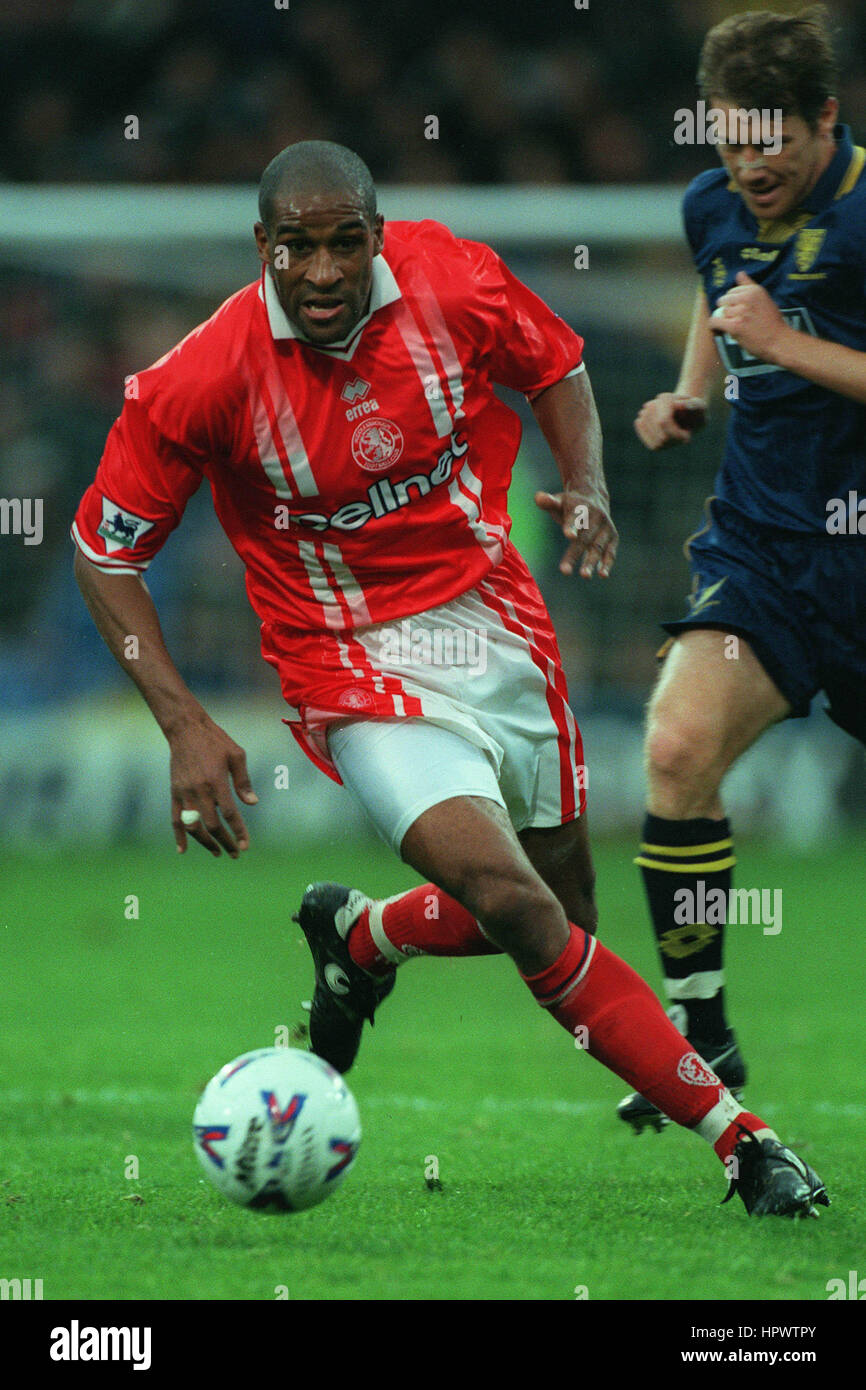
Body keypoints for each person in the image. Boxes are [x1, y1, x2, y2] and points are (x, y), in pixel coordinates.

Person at [72, 139, 827, 1216]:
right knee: (516, 905)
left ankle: (361, 934)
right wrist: (184, 724)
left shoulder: (452, 278)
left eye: (344, 244)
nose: (323, 271)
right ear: (263, 248)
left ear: (377, 238)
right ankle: (742, 1144)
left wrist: (585, 481)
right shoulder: (204, 376)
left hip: (494, 625)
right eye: (297, 247)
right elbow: (105, 552)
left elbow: (554, 362)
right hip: (348, 663)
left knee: (564, 913)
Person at [623, 5, 866, 1133]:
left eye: (767, 137)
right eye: (725, 137)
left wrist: (778, 344)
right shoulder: (709, 205)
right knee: (674, 748)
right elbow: (716, 295)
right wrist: (692, 390)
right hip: (762, 545)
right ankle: (700, 1032)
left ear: (825, 117)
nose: (744, 164)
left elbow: (763, 322)